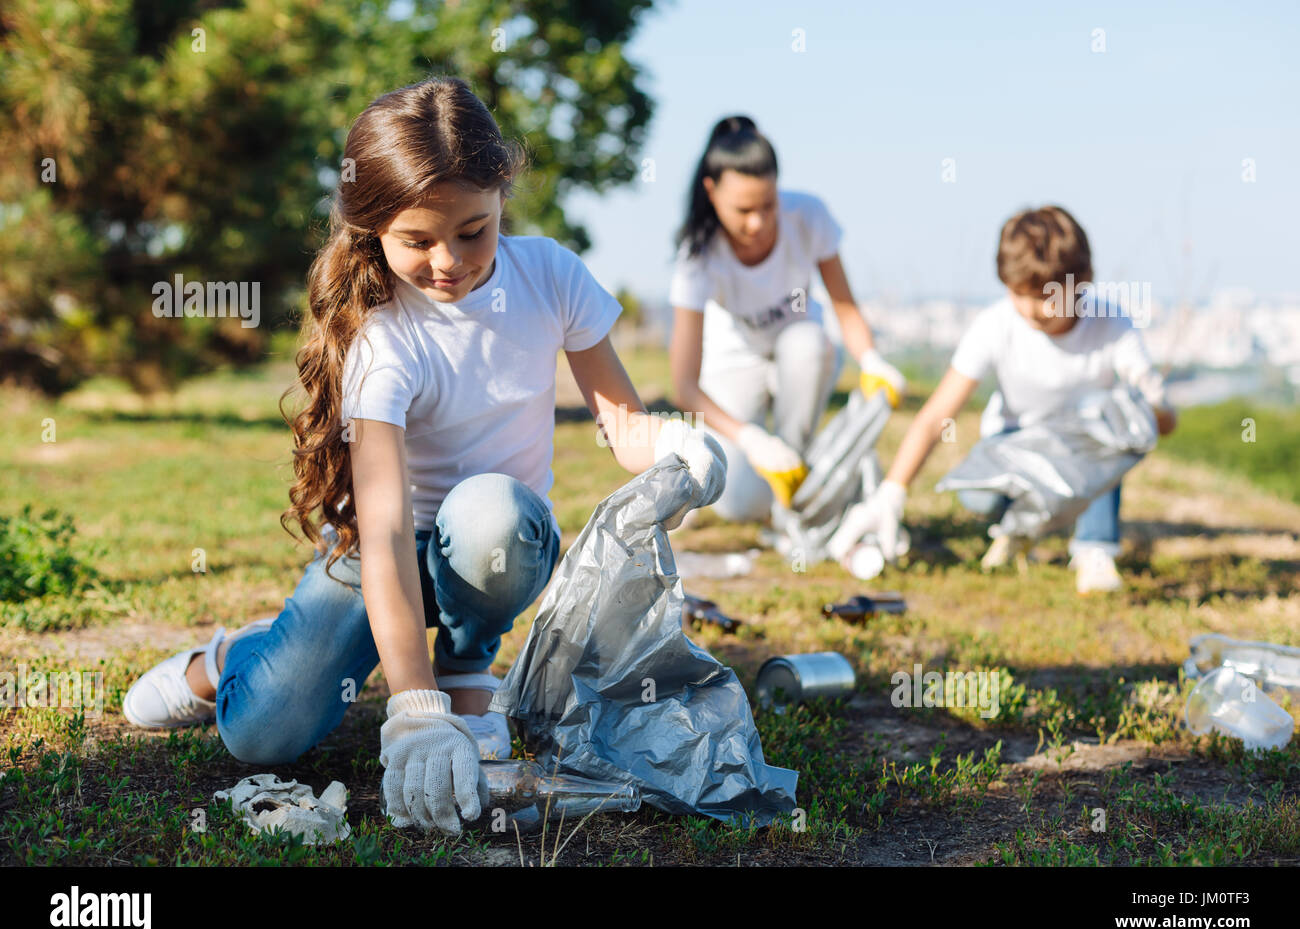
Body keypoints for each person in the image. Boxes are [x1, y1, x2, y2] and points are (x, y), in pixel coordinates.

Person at [122, 76, 725, 836]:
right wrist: (410, 708)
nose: (450, 261)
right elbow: (381, 533)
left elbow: (623, 424)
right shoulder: (381, 339)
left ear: (503, 191)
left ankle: (468, 664)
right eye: (418, 241)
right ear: (372, 229)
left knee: (491, 513)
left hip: (491, 545)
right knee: (263, 737)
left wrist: (675, 441)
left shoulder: (552, 277)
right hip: (384, 553)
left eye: (474, 230)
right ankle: (230, 658)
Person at [829, 205, 1177, 594]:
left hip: (1084, 450)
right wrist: (892, 492)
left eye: (1046, 297)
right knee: (976, 496)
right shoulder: (997, 325)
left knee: (1111, 433)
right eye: (1018, 295)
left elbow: (1162, 424)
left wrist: (1149, 407)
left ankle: (1095, 549)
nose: (1032, 310)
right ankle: (1018, 529)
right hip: (1014, 446)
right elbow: (937, 415)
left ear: (1083, 282)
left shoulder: (1111, 326)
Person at [667, 116, 905, 522]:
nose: (757, 223)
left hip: (801, 352)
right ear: (711, 191)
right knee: (742, 504)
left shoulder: (808, 216)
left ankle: (799, 482)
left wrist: (871, 360)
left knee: (807, 343)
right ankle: (780, 479)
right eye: (743, 210)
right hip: (735, 361)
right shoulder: (698, 257)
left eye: (767, 205)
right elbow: (684, 387)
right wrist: (752, 440)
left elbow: (844, 308)